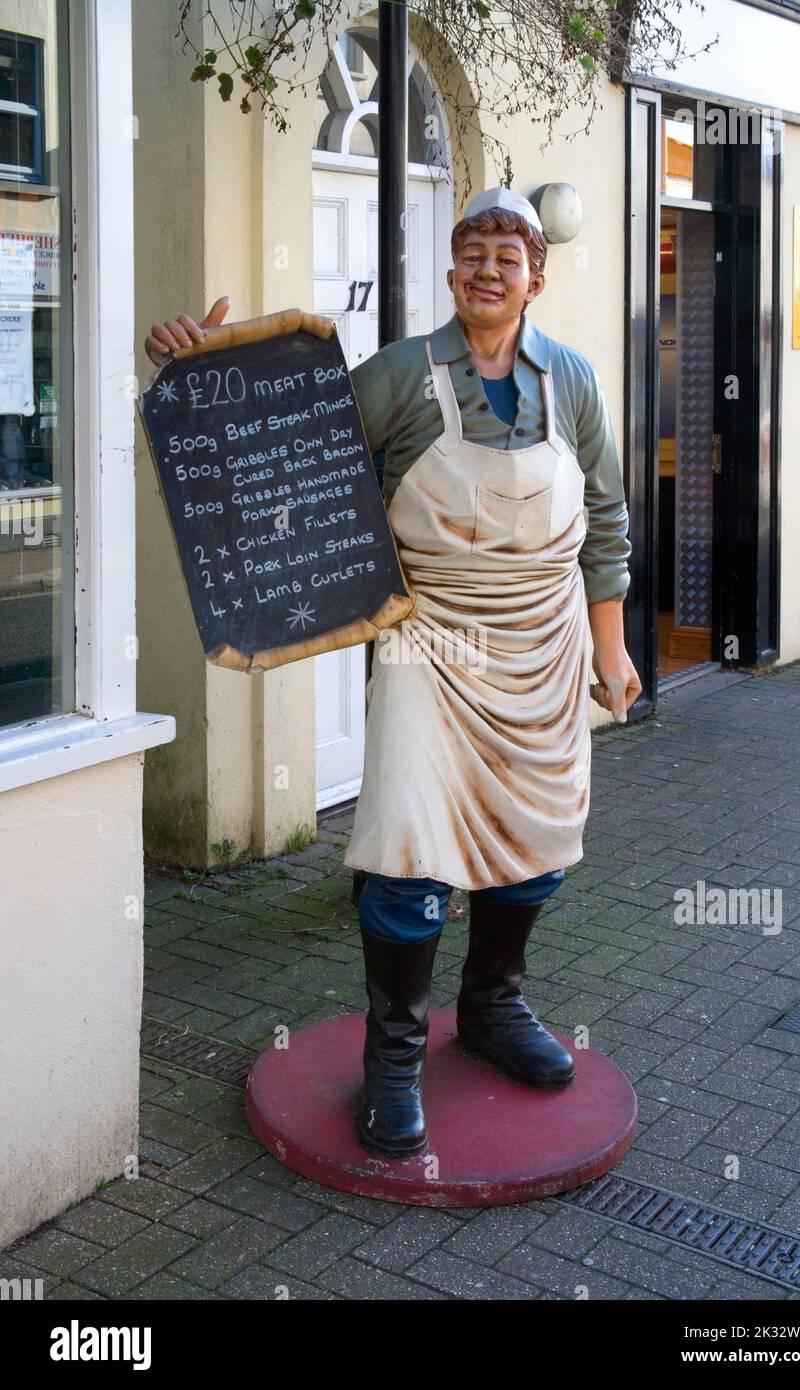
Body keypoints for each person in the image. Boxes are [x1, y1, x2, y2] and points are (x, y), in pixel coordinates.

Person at [144, 185, 641, 1162]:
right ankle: (396, 1053)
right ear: (452, 271)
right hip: (428, 644)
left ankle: (493, 1006)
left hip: (540, 648)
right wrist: (202, 364)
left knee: (534, 847)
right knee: (409, 853)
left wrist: (611, 644)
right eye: (471, 251)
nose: (488, 267)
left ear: (536, 276)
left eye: (509, 253)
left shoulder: (572, 381)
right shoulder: (401, 375)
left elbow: (607, 523)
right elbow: (295, 433)